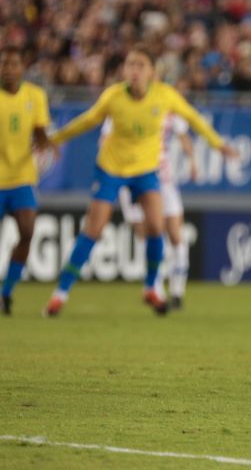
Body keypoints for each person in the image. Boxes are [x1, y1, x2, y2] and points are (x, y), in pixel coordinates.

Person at [43, 49, 235, 317]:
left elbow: (193, 118)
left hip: (145, 171)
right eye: (130, 64)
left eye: (140, 65)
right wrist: (54, 139)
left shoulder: (165, 96)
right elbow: (87, 121)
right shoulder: (113, 96)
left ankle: (151, 287)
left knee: (156, 227)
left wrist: (218, 144)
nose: (134, 70)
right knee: (93, 230)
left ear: (152, 72)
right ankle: (60, 294)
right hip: (111, 170)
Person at [108, 113, 198, 310]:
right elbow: (106, 141)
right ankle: (156, 290)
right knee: (144, 235)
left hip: (163, 181)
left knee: (175, 234)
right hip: (131, 180)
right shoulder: (118, 107)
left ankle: (177, 292)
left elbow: (183, 135)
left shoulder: (166, 105)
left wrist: (192, 161)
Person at [0, 47, 54, 315]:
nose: (8, 69)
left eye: (13, 64)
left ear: (22, 67)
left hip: (22, 178)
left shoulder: (35, 96)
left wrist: (45, 144)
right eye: (4, 64)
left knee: (28, 231)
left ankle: (6, 292)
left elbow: (40, 132)